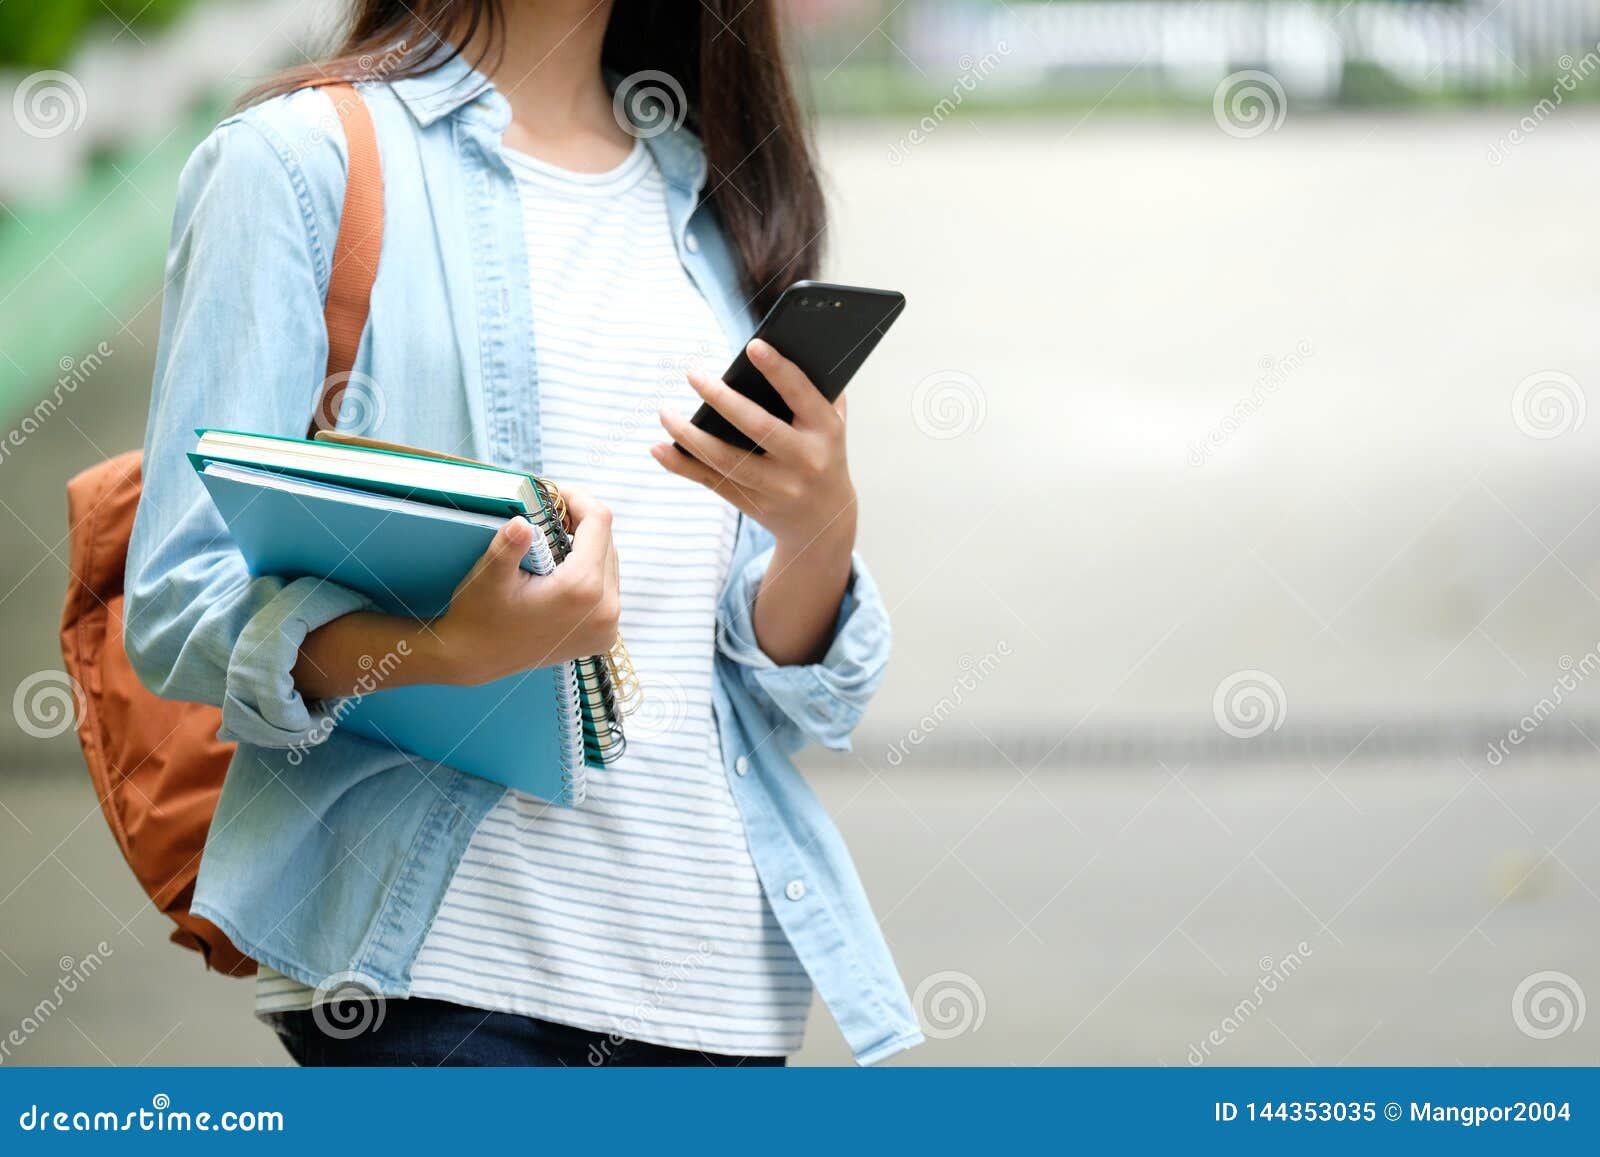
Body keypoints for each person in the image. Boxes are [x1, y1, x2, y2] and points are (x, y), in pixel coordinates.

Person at [125, 0, 922, 1067]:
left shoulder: (715, 197)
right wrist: (452, 648)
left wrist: (820, 529)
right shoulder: (297, 161)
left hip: (720, 987)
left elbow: (785, 688)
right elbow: (180, 599)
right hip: (445, 975)